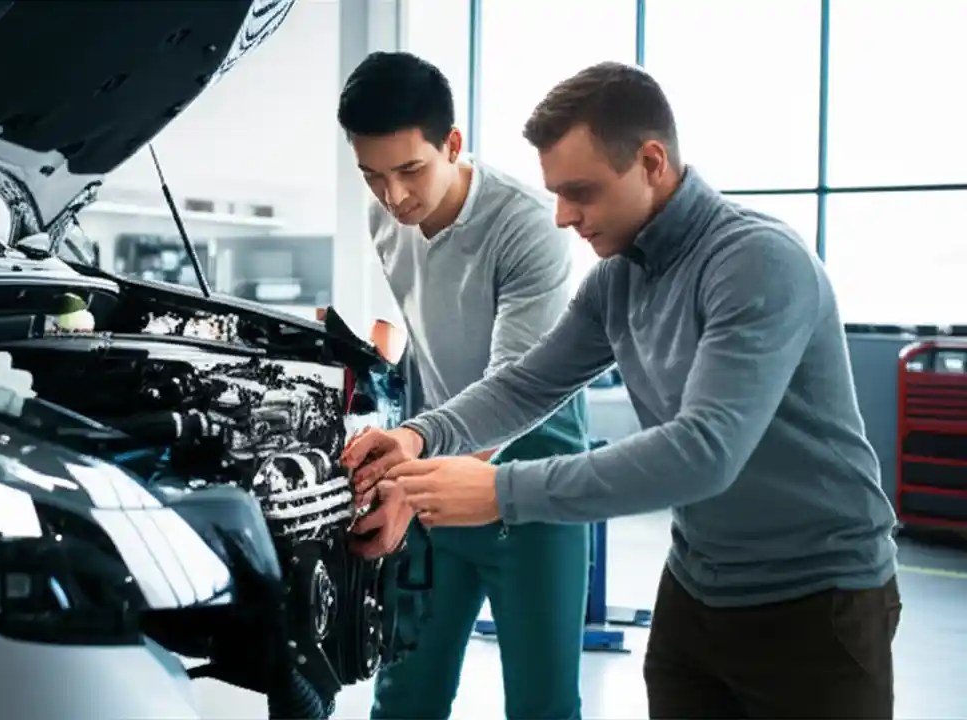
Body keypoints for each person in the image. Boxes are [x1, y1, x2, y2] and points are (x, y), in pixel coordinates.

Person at [343, 60, 902, 720]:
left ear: (652, 162)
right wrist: (418, 435)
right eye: (555, 191)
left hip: (818, 600)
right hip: (697, 591)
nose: (560, 217)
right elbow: (528, 383)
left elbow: (706, 452)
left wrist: (498, 490)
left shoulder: (756, 262)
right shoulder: (620, 278)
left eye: (580, 191)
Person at [337, 51, 592, 720]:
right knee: (402, 700)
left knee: (543, 707)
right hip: (430, 472)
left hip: (532, 480)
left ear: (452, 144)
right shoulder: (385, 218)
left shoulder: (527, 224)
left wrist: (410, 474)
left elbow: (517, 387)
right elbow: (421, 340)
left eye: (410, 170)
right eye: (373, 176)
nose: (393, 197)